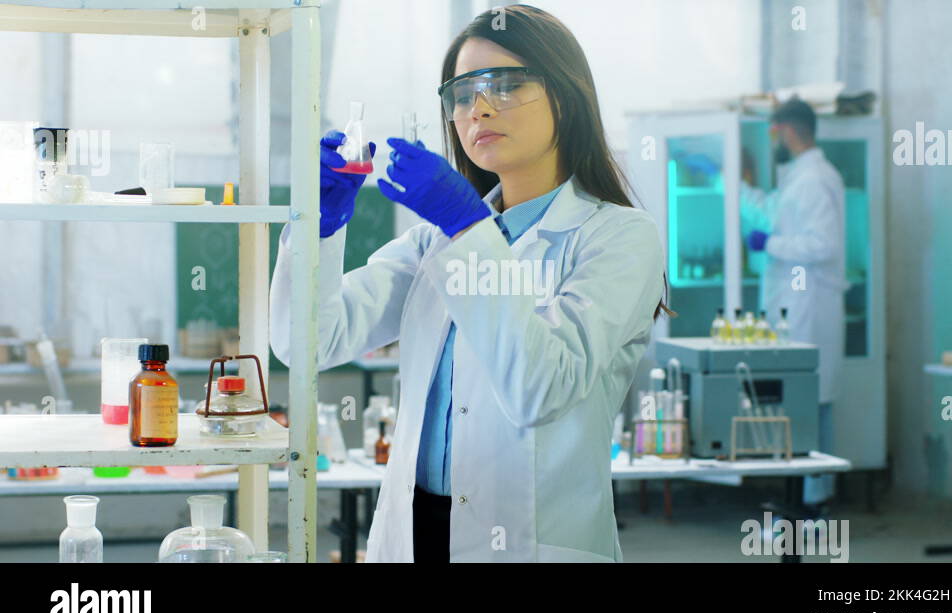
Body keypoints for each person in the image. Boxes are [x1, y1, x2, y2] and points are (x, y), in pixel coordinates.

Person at [269, 5, 670, 562]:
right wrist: (318, 226)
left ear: (566, 95)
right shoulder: (432, 243)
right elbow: (306, 342)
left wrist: (468, 227)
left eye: (505, 85)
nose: (478, 107)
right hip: (415, 535)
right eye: (461, 94)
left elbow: (541, 389)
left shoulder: (619, 238)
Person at [740, 98, 848, 516]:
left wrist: (772, 244)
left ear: (786, 129)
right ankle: (802, 498)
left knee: (811, 403)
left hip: (811, 306)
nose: (772, 142)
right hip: (797, 306)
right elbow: (771, 213)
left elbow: (824, 245)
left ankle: (813, 503)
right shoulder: (799, 178)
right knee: (802, 402)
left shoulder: (815, 179)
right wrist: (736, 183)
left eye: (772, 133)